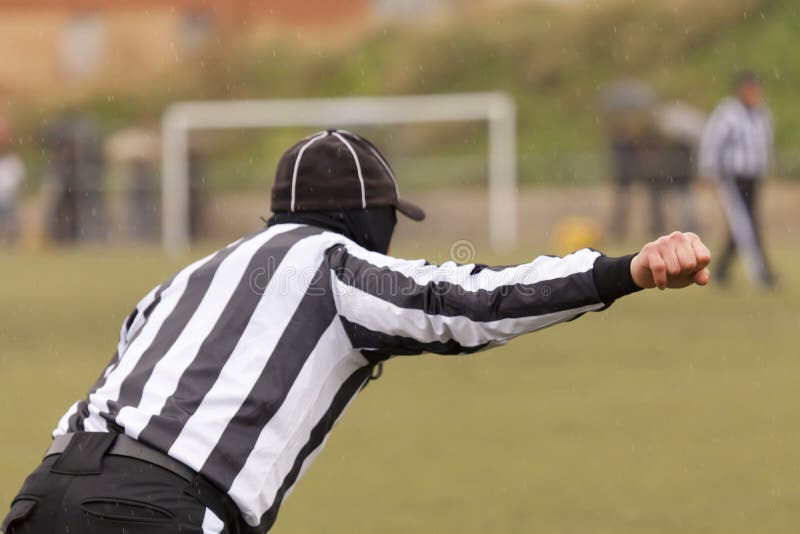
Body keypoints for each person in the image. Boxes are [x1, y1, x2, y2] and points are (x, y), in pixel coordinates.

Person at [2, 130, 712, 534]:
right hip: (151, 515)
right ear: (367, 218)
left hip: (43, 494)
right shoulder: (336, 265)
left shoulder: (186, 278)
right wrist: (625, 271)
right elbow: (464, 301)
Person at [699, 71, 774, 287]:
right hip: (733, 177)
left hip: (752, 177)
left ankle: (721, 270)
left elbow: (763, 146)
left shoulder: (761, 115)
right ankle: (761, 273)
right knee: (744, 224)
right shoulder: (728, 114)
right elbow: (712, 143)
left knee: (743, 224)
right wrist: (710, 171)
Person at [0, 119, 25, 246]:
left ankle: (10, 243)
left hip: (8, 205)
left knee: (9, 209)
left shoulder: (13, 162)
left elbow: (18, 188)